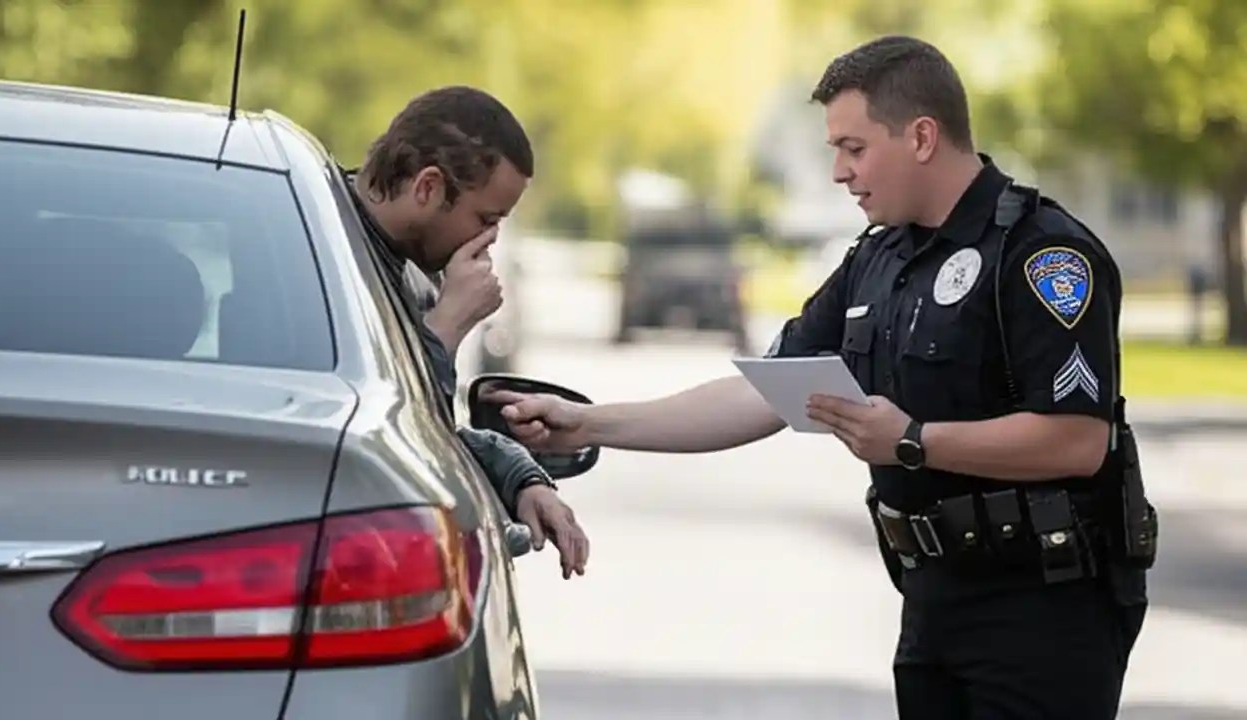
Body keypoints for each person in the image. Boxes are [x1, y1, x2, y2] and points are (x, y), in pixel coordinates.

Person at [489, 36, 1155, 718]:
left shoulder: (1040, 254)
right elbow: (762, 393)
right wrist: (589, 422)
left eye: (854, 147)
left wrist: (913, 440)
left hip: (1045, 606)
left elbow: (1076, 440)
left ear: (922, 136)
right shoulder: (879, 258)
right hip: (933, 598)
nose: (839, 171)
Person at [343, 85, 589, 580]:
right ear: (428, 188)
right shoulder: (324, 267)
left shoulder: (406, 272)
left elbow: (438, 433)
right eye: (486, 219)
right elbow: (380, 442)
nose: (489, 242)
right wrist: (447, 326)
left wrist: (522, 481)